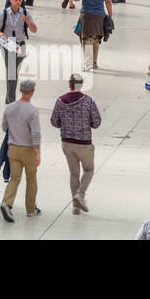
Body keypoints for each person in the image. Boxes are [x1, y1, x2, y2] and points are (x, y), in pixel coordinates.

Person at [49, 74, 101, 214]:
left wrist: (64, 124)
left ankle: (75, 207)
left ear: (69, 84)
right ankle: (80, 194)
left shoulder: (60, 101)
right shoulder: (88, 101)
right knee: (88, 170)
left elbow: (54, 121)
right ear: (81, 85)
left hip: (66, 142)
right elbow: (96, 122)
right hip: (84, 143)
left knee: (73, 173)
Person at [0, 79, 41, 222]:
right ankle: (31, 209)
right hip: (28, 150)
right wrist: (37, 153)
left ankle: (7, 203)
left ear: (20, 91)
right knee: (31, 180)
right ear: (33, 92)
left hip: (13, 149)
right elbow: (35, 134)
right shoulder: (32, 111)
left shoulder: (9, 108)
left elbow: (4, 127)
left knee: (15, 178)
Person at [0, 0, 37, 103]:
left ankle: (8, 98)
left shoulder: (25, 14)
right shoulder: (3, 14)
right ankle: (12, 100)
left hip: (21, 44)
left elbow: (34, 30)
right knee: (11, 72)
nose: (18, 2)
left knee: (14, 72)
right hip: (8, 44)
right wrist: (1, 34)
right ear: (10, 0)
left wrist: (27, 21)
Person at [74, 0, 112, 70]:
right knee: (96, 39)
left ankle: (87, 63)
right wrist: (110, 15)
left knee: (85, 39)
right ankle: (94, 63)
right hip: (99, 15)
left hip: (86, 15)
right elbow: (108, 0)